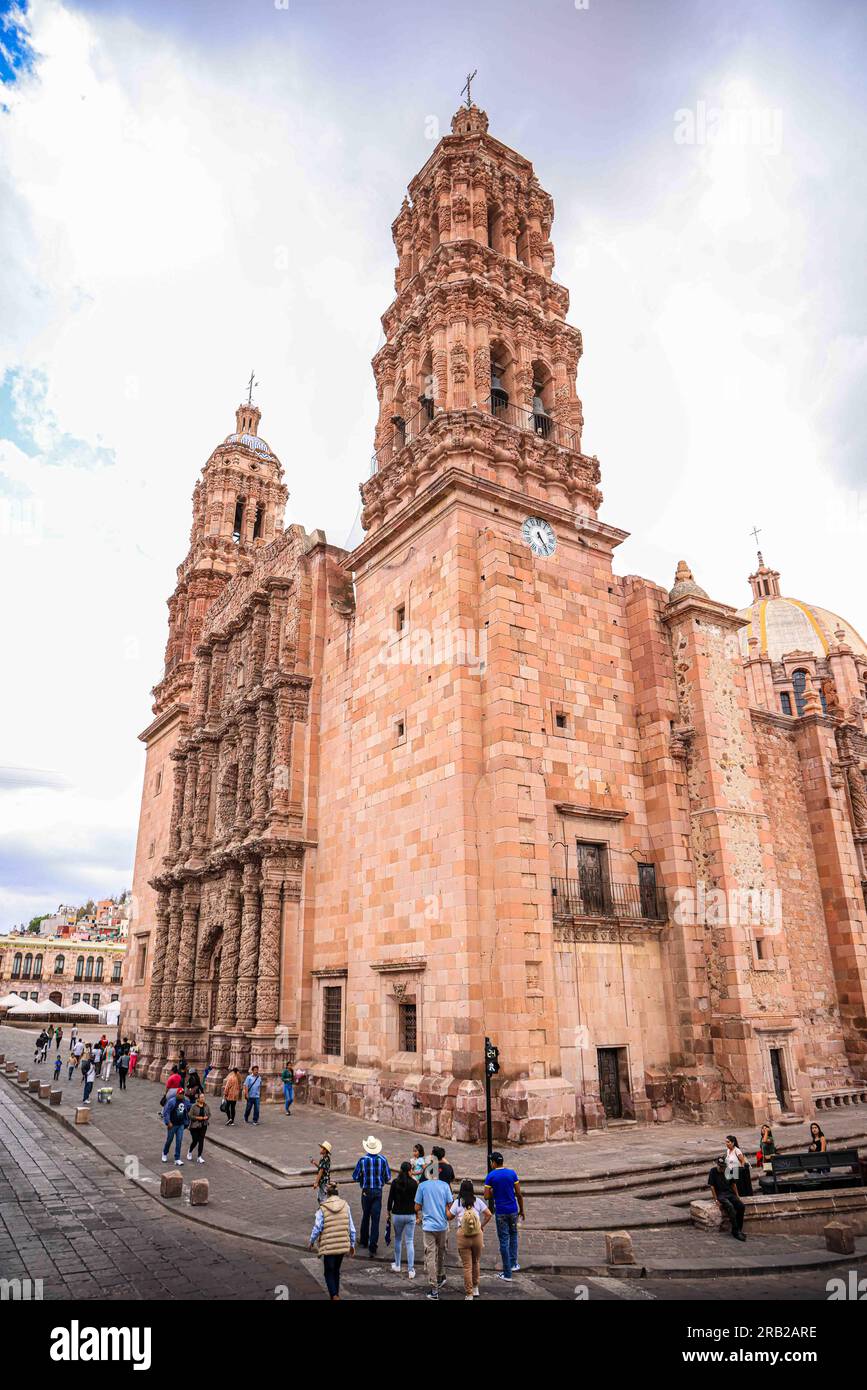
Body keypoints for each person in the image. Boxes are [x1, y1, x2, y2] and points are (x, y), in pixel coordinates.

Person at [309, 1183, 356, 1300]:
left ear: (327, 1195)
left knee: (328, 1272)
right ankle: (336, 1294)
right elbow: (352, 1228)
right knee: (336, 1270)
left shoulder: (323, 1208)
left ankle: (334, 1296)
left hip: (328, 1244)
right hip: (342, 1244)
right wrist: (352, 1244)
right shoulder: (346, 1206)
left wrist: (311, 1241)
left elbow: (317, 1227)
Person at [414, 1159, 452, 1299]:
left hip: (428, 1226)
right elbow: (450, 1203)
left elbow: (417, 1207)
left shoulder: (422, 1186)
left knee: (430, 1255)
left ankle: (434, 1288)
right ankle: (441, 1276)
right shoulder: (445, 1186)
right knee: (441, 1252)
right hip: (442, 1225)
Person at [484, 1152, 524, 1282]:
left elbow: (486, 1196)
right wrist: (522, 1210)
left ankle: (507, 1273)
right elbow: (518, 1193)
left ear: (494, 1163)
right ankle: (513, 1264)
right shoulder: (512, 1173)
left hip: (501, 1212)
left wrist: (493, 1191)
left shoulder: (491, 1176)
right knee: (513, 1236)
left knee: (503, 1240)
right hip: (513, 1210)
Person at [448, 1179, 491, 1299]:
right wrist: (481, 1226)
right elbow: (489, 1214)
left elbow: (449, 1217)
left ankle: (469, 1293)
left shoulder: (457, 1203)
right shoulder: (477, 1201)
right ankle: (476, 1287)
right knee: (476, 1262)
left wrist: (447, 1207)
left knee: (467, 1266)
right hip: (477, 1234)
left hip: (463, 1235)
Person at [352, 1136, 391, 1258]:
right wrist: (381, 1181)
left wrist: (363, 1180)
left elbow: (355, 1176)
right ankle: (372, 1246)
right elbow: (388, 1176)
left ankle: (364, 1240)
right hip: (378, 1192)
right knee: (375, 1219)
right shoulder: (383, 1160)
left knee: (365, 1216)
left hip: (366, 1191)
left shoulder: (362, 1160)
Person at [387, 1161, 418, 1279]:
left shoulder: (395, 1182)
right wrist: (417, 1213)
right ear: (409, 1171)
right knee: (409, 1241)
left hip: (397, 1214)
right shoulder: (414, 1183)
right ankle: (411, 1269)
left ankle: (398, 1264)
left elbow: (390, 1199)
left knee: (398, 1239)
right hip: (410, 1214)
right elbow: (417, 1201)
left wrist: (388, 1212)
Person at [707, 1154, 746, 1240]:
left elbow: (733, 1184)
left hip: (729, 1193)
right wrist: (716, 1199)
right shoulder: (713, 1171)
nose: (721, 1168)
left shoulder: (728, 1170)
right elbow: (712, 1186)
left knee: (741, 1206)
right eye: (720, 1166)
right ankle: (735, 1231)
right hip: (721, 1194)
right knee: (730, 1207)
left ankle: (739, 1229)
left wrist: (737, 1195)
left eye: (723, 1167)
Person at [161, 1088, 190, 1166]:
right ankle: (164, 1152)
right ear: (177, 1094)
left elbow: (189, 1107)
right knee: (169, 1140)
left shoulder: (185, 1101)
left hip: (181, 1124)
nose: (181, 1095)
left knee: (179, 1141)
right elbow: (166, 1112)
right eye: (180, 1094)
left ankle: (177, 1158)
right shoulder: (172, 1101)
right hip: (172, 1124)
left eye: (182, 1094)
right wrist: (168, 1122)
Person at [187, 1093, 210, 1163]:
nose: (203, 1099)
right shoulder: (194, 1106)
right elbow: (190, 1115)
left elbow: (209, 1114)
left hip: (203, 1125)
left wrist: (207, 1117)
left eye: (203, 1097)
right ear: (198, 1099)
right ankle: (190, 1151)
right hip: (194, 1126)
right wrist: (197, 1118)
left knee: (201, 1140)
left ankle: (199, 1157)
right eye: (201, 1097)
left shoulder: (206, 1106)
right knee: (195, 1140)